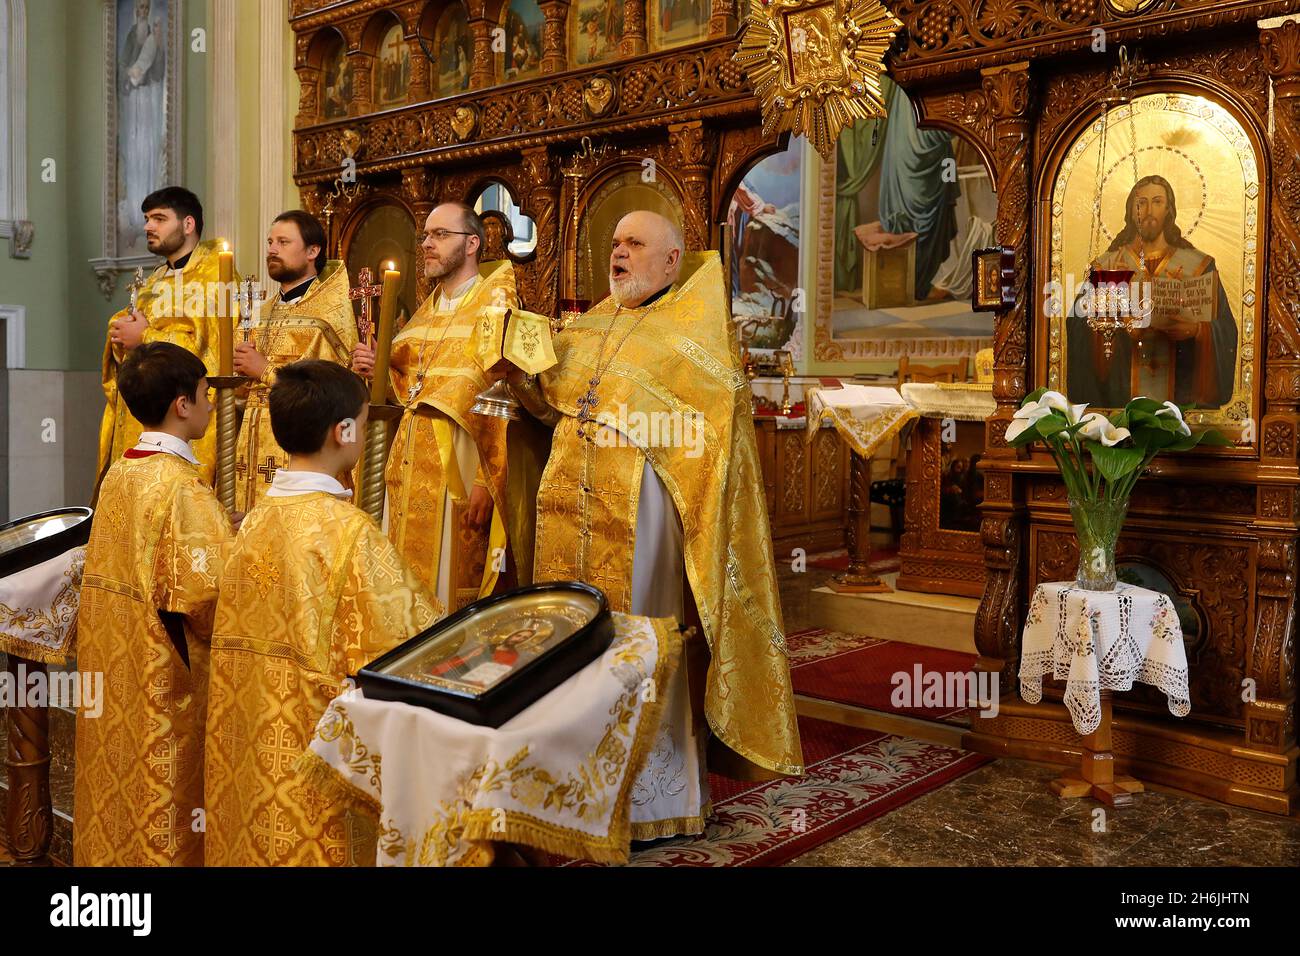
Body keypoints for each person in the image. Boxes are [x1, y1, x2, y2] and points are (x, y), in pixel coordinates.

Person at [506, 210, 804, 791]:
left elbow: (711, 443)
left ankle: (647, 794)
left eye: (634, 242)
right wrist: (520, 379)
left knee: (637, 637)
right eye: (615, 241)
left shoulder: (693, 337)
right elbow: (551, 407)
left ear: (671, 260)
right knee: (571, 634)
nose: (618, 251)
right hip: (570, 510)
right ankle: (572, 781)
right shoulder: (592, 323)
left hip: (645, 517)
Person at [204, 360, 438, 866]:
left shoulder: (254, 520)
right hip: (317, 760)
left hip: (248, 749)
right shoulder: (349, 534)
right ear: (344, 431)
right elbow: (415, 644)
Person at [74, 342, 235, 866]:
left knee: (119, 792)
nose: (212, 404)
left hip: (115, 673)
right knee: (164, 799)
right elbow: (209, 599)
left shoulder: (119, 472)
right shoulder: (181, 489)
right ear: (182, 405)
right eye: (207, 394)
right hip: (164, 681)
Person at [352, 202, 519, 612]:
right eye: (425, 236)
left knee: (445, 591)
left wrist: (486, 482)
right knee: (401, 589)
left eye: (440, 235)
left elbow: (508, 396)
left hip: (458, 469)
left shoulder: (496, 307)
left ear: (472, 244)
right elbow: (408, 392)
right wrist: (378, 369)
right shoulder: (425, 315)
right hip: (408, 468)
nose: (427, 244)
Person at [96, 186, 235, 495]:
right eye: (147, 219)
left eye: (159, 218)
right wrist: (120, 341)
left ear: (188, 225)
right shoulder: (154, 279)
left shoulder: (217, 278)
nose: (148, 227)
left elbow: (213, 354)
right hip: (139, 423)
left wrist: (145, 336)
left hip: (186, 419)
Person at [1067, 174, 1238, 408]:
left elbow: (1226, 329)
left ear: (1169, 209)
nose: (1148, 210)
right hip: (1119, 404)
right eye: (1141, 202)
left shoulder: (1199, 266)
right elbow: (1078, 326)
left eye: (1157, 202)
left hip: (1180, 405)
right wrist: (1119, 325)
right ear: (1131, 210)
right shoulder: (1105, 266)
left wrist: (1198, 331)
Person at [232, 210, 357, 511]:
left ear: (312, 251)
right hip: (247, 451)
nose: (272, 249)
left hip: (302, 454)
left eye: (284, 242)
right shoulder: (257, 315)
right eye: (270, 242)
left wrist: (264, 370)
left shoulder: (328, 318)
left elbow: (331, 396)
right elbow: (237, 394)